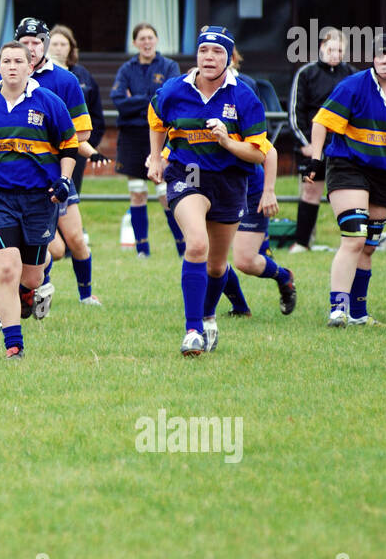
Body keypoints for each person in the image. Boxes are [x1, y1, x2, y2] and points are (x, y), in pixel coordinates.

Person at [0, 41, 78, 359]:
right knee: (6, 267)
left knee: (31, 275)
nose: (12, 66)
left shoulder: (50, 103)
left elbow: (69, 146)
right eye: (6, 61)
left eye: (19, 61)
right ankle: (13, 345)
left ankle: (28, 292)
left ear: (30, 66)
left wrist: (64, 179)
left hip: (38, 199)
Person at [147, 26, 271, 356]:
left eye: (217, 52)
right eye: (204, 51)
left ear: (229, 58)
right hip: (187, 175)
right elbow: (155, 118)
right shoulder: (175, 89)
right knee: (196, 244)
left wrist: (227, 141)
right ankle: (192, 331)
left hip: (230, 182)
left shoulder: (244, 96)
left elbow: (260, 153)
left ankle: (208, 315)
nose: (209, 57)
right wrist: (154, 157)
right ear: (197, 55)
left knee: (217, 267)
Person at [302, 32, 386, 327]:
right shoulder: (353, 86)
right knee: (354, 239)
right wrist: (317, 157)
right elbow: (320, 122)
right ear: (373, 59)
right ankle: (338, 310)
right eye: (379, 56)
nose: (383, 61)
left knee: (368, 245)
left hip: (381, 173)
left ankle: (358, 314)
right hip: (347, 166)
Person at [0, 18, 99, 309]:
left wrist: (42, 139)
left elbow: (83, 132)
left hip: (52, 175)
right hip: (5, 176)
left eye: (37, 42)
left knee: (67, 243)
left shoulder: (65, 80)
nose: (31, 48)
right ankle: (7, 311)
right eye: (25, 42)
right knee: (6, 251)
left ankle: (80, 294)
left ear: (46, 44)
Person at [212, 51, 296, 318]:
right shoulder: (193, 95)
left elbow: (268, 151)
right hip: (214, 185)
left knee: (245, 261)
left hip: (249, 187)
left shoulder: (243, 93)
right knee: (206, 254)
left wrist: (269, 192)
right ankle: (240, 307)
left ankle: (284, 277)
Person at [111, 22, 183, 257]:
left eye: (150, 38)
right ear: (134, 43)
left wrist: (138, 100)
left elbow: (171, 98)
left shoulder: (169, 66)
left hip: (162, 136)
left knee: (165, 194)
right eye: (141, 39)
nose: (146, 42)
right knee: (137, 192)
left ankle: (183, 247)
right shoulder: (126, 69)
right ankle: (143, 250)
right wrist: (150, 99)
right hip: (132, 137)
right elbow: (118, 100)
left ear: (156, 40)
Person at [287, 27, 353, 252]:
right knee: (310, 192)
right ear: (321, 48)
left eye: (339, 50)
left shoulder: (351, 75)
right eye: (331, 49)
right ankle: (302, 243)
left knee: (348, 192)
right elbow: (296, 113)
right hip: (312, 146)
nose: (335, 54)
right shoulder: (306, 73)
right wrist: (309, 144)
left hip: (343, 147)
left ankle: (352, 240)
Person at [48, 25, 108, 195]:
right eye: (54, 44)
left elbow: (96, 115)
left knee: (70, 194)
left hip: (76, 146)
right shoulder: (38, 75)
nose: (59, 49)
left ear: (71, 48)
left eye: (63, 44)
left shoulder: (82, 75)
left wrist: (87, 146)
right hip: (46, 147)